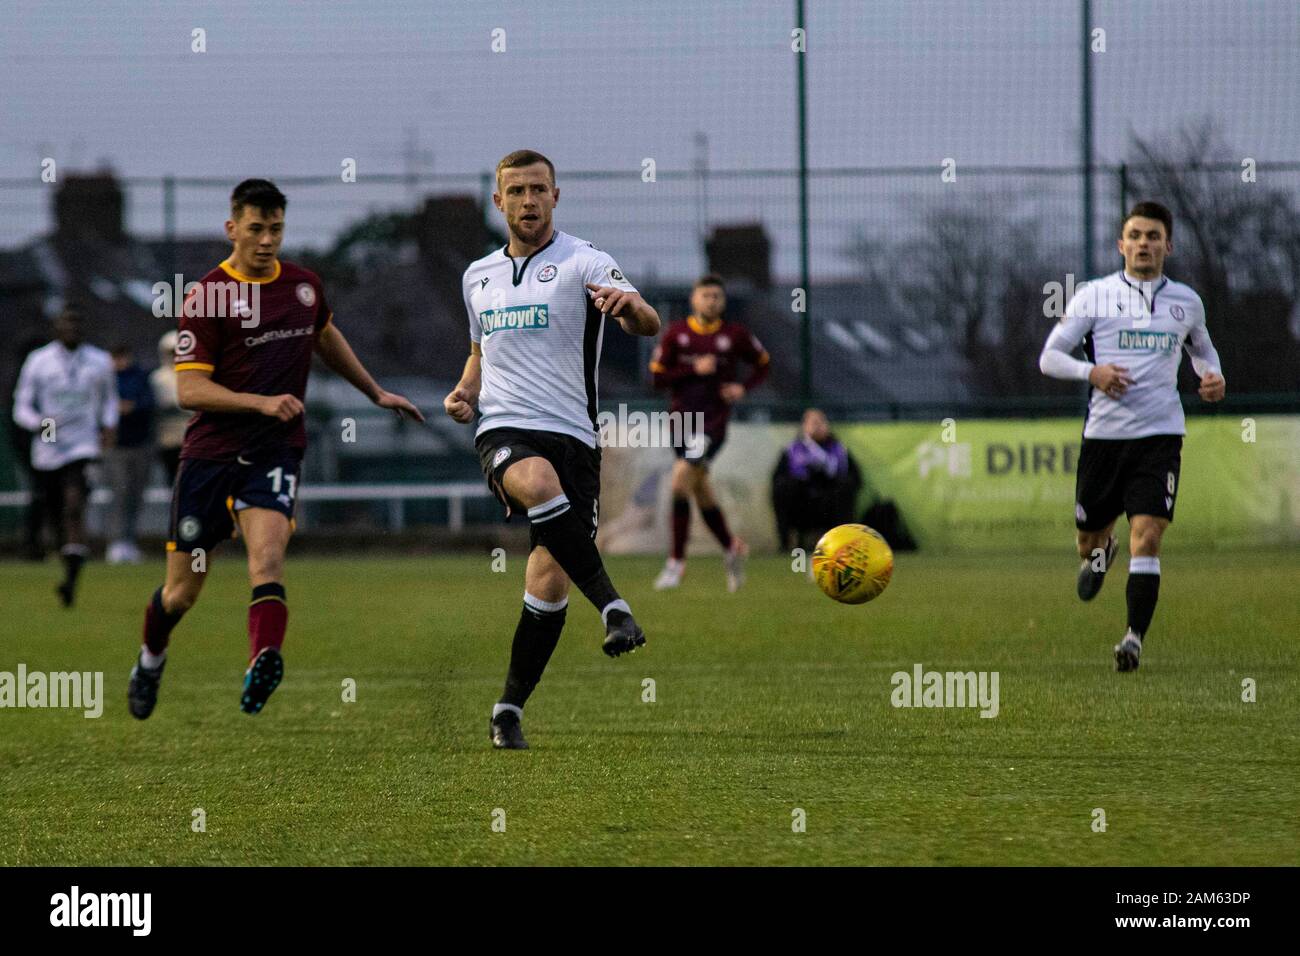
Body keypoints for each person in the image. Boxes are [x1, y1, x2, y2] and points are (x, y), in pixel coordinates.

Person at [127, 178, 423, 720]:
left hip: (274, 455)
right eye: (257, 228)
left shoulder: (304, 287)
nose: (267, 240)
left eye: (276, 228)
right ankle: (150, 658)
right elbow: (191, 389)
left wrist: (375, 390)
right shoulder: (208, 296)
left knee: (268, 560)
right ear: (232, 228)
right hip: (210, 459)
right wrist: (260, 403)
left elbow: (325, 335)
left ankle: (262, 660)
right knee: (182, 595)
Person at [443, 149, 661, 750]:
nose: (528, 201)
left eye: (539, 189)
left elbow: (648, 322)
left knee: (547, 583)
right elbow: (479, 351)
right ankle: (614, 606)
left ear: (556, 196)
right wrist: (467, 391)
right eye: (516, 191)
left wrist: (631, 309)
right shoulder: (478, 275)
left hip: (576, 440)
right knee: (537, 484)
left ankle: (507, 708)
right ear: (499, 202)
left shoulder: (585, 260)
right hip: (506, 430)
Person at [1039, 200, 1225, 672]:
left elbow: (1203, 352)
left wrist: (1212, 376)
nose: (1144, 243)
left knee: (1149, 535)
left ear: (1168, 245)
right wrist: (1092, 372)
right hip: (1104, 438)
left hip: (1159, 436)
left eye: (1154, 236)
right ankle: (1102, 555)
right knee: (1088, 544)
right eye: (1136, 235)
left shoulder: (1186, 301)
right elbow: (1049, 357)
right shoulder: (1093, 297)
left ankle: (1133, 639)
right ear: (1121, 245)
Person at [648, 274, 770, 592]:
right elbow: (657, 379)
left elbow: (763, 363)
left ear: (723, 301)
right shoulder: (676, 334)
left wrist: (743, 387)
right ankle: (731, 548)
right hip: (680, 422)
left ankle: (675, 563)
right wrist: (692, 369)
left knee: (679, 484)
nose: (711, 301)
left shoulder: (735, 335)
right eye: (705, 295)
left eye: (717, 296)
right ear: (694, 299)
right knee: (699, 488)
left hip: (712, 424)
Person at [11, 305, 119, 606]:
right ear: (56, 329)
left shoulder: (98, 361)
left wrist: (109, 426)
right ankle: (67, 569)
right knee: (54, 509)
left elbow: (109, 400)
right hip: (49, 442)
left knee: (74, 505)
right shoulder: (39, 361)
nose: (71, 329)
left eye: (76, 324)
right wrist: (38, 424)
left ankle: (72, 577)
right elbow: (21, 405)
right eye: (66, 324)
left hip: (83, 442)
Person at [771, 409, 861, 554]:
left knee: (845, 487)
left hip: (830, 500)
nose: (817, 426)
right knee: (783, 488)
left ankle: (843, 544)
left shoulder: (839, 450)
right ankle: (786, 544)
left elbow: (855, 477)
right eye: (813, 423)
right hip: (801, 502)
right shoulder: (793, 450)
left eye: (821, 422)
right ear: (804, 426)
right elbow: (778, 478)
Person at [105, 344, 156, 564]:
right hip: (116, 446)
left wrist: (132, 407)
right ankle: (116, 542)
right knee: (120, 492)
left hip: (140, 444)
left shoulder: (141, 377)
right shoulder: (105, 378)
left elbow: (150, 403)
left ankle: (130, 542)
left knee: (136, 495)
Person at [8, 334, 49, 560]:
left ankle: (41, 543)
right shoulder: (30, 378)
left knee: (43, 495)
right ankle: (33, 543)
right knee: (42, 494)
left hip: (37, 445)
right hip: (35, 447)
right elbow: (34, 418)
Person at [150, 330, 189, 486]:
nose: (176, 356)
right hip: (168, 440)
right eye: (172, 352)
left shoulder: (192, 377)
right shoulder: (158, 378)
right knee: (173, 482)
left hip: (191, 438)